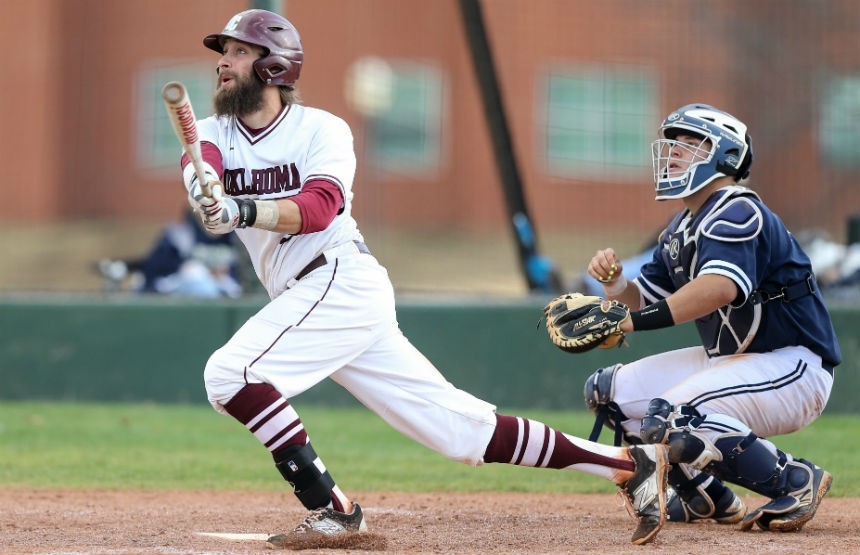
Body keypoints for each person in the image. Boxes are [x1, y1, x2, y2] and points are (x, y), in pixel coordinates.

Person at [176, 8, 670, 549]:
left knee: (229, 374)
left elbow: (320, 207)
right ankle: (627, 464)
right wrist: (209, 195)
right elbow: (205, 165)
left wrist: (244, 211)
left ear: (275, 66)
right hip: (311, 297)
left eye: (239, 51)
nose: (224, 62)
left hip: (338, 280)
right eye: (224, 52)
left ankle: (332, 510)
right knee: (459, 432)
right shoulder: (214, 132)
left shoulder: (322, 129)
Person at [583, 103, 840, 532]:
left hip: (793, 365)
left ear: (725, 156)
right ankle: (705, 496)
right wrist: (614, 287)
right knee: (610, 392)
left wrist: (631, 323)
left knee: (674, 414)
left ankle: (794, 479)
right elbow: (642, 297)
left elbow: (719, 287)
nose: (675, 152)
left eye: (690, 143)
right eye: (674, 144)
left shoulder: (737, 210)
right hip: (738, 361)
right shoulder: (682, 226)